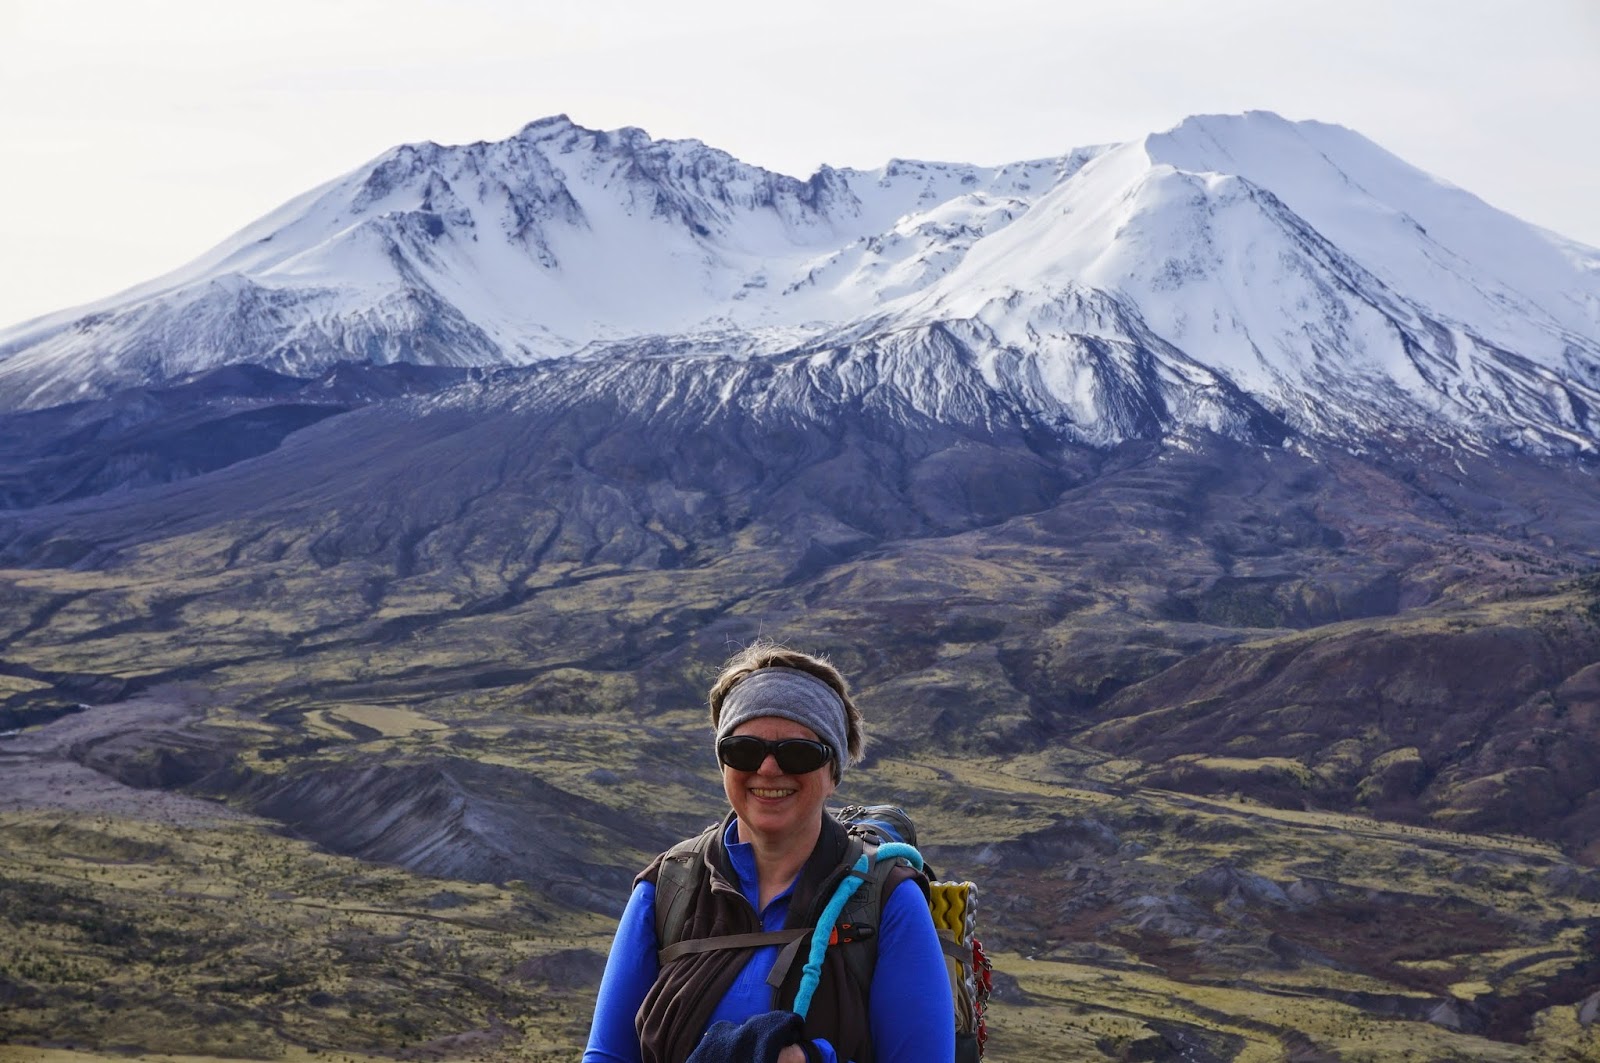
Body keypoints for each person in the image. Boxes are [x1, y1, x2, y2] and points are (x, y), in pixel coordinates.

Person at [582, 642, 955, 1063]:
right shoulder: (667, 889)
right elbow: (607, 1056)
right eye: (744, 750)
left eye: (798, 753)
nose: (768, 770)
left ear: (833, 773)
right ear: (723, 764)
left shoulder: (886, 899)